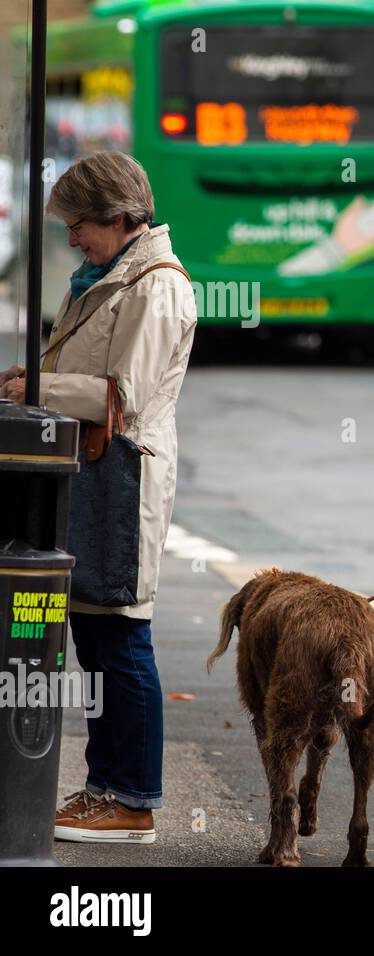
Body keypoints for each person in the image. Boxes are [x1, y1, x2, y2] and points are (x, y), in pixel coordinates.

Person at [1, 150, 197, 844]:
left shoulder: (155, 285)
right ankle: (102, 789)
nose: (72, 238)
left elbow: (123, 397)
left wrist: (35, 388)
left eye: (79, 224)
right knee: (94, 631)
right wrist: (38, 377)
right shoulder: (106, 275)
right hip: (92, 474)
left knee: (121, 632)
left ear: (118, 216)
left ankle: (133, 799)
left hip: (123, 476)